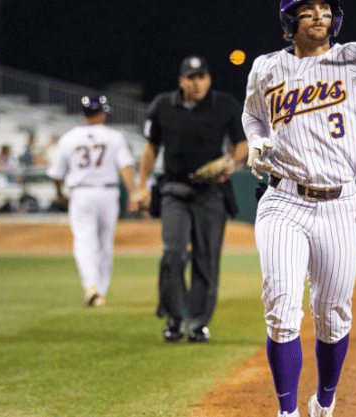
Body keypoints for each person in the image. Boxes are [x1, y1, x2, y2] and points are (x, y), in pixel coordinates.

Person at [242, 1, 356, 416]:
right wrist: (255, 139)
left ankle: (324, 401)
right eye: (307, 8)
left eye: (326, 7)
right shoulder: (266, 67)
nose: (319, 14)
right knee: (282, 308)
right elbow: (253, 116)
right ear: (291, 20)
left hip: (339, 205)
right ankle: (287, 411)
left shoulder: (353, 59)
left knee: (333, 317)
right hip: (283, 200)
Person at [130, 55, 249, 344]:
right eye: (191, 77)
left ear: (208, 79)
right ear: (181, 81)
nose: (197, 83)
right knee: (173, 253)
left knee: (206, 259)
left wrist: (232, 162)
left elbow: (242, 143)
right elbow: (151, 148)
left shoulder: (225, 104)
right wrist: (140, 186)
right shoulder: (163, 105)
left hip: (211, 193)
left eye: (202, 77)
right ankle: (174, 317)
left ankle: (198, 323)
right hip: (174, 190)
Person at [46, 95, 137, 307]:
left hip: (81, 193)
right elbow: (125, 166)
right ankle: (101, 291)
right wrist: (133, 192)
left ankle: (90, 287)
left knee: (84, 241)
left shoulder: (68, 138)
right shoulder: (114, 136)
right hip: (108, 193)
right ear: (102, 113)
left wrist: (60, 193)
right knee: (105, 243)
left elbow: (56, 173)